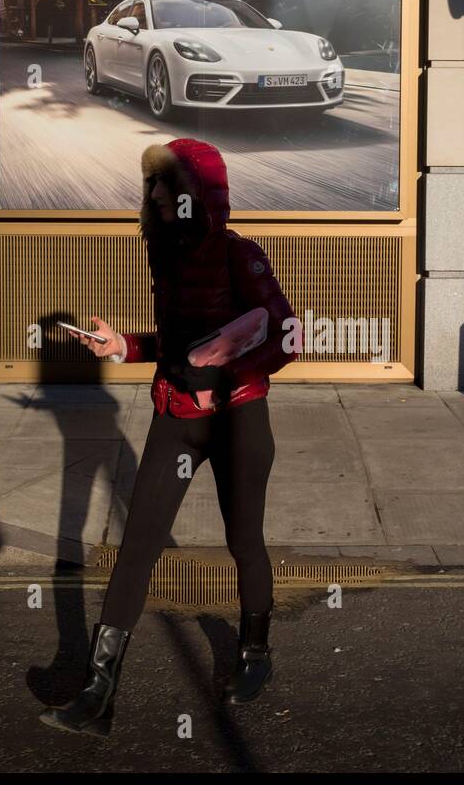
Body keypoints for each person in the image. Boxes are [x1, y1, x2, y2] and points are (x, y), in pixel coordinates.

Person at [43, 137, 299, 735]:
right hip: (176, 419)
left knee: (244, 543)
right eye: (151, 184)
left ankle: (255, 655)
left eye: (166, 182)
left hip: (239, 419)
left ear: (196, 193)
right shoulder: (167, 259)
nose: (155, 194)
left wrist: (227, 369)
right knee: (137, 548)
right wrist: (125, 347)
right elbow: (175, 346)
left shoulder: (240, 255)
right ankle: (98, 691)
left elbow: (286, 335)